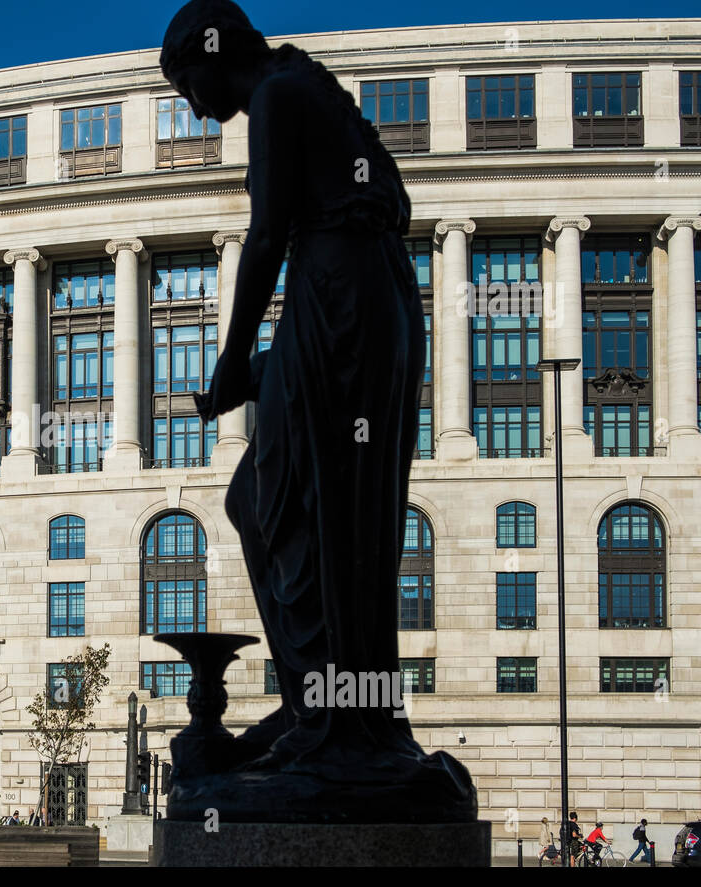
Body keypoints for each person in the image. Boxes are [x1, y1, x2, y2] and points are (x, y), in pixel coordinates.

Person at [156, 0, 473, 820]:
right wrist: (273, 367)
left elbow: (267, 235)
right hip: (346, 300)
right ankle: (323, 704)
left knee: (295, 504)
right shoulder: (311, 91)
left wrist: (233, 358)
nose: (192, 104)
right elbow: (371, 213)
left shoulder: (278, 95)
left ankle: (339, 718)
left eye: (187, 81)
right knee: (276, 500)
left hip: (340, 295)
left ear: (214, 52)